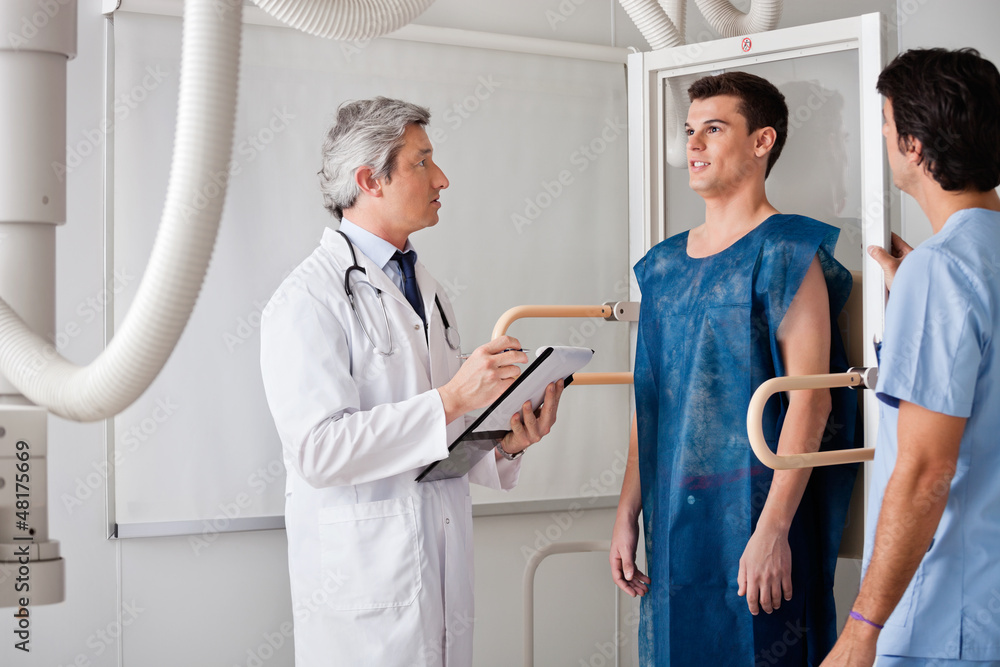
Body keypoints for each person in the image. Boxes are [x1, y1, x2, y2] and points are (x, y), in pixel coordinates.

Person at [259, 97, 564, 667]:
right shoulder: (307, 299)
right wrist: (451, 398)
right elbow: (318, 451)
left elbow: (436, 441)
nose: (441, 178)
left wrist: (504, 440)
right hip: (365, 592)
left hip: (437, 572)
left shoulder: (428, 289)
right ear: (369, 180)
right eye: (422, 162)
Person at [609, 72, 858, 664]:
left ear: (761, 141)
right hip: (678, 513)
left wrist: (773, 529)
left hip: (758, 508)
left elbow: (811, 400)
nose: (693, 145)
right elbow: (652, 401)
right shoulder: (663, 266)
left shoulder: (787, 251)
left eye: (714, 129)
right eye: (689, 131)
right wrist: (626, 512)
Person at [822, 48, 1000, 667]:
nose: (882, 137)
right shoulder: (958, 268)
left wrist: (860, 630)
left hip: (947, 622)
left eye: (886, 124)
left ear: (915, 146)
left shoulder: (942, 271)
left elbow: (926, 471)